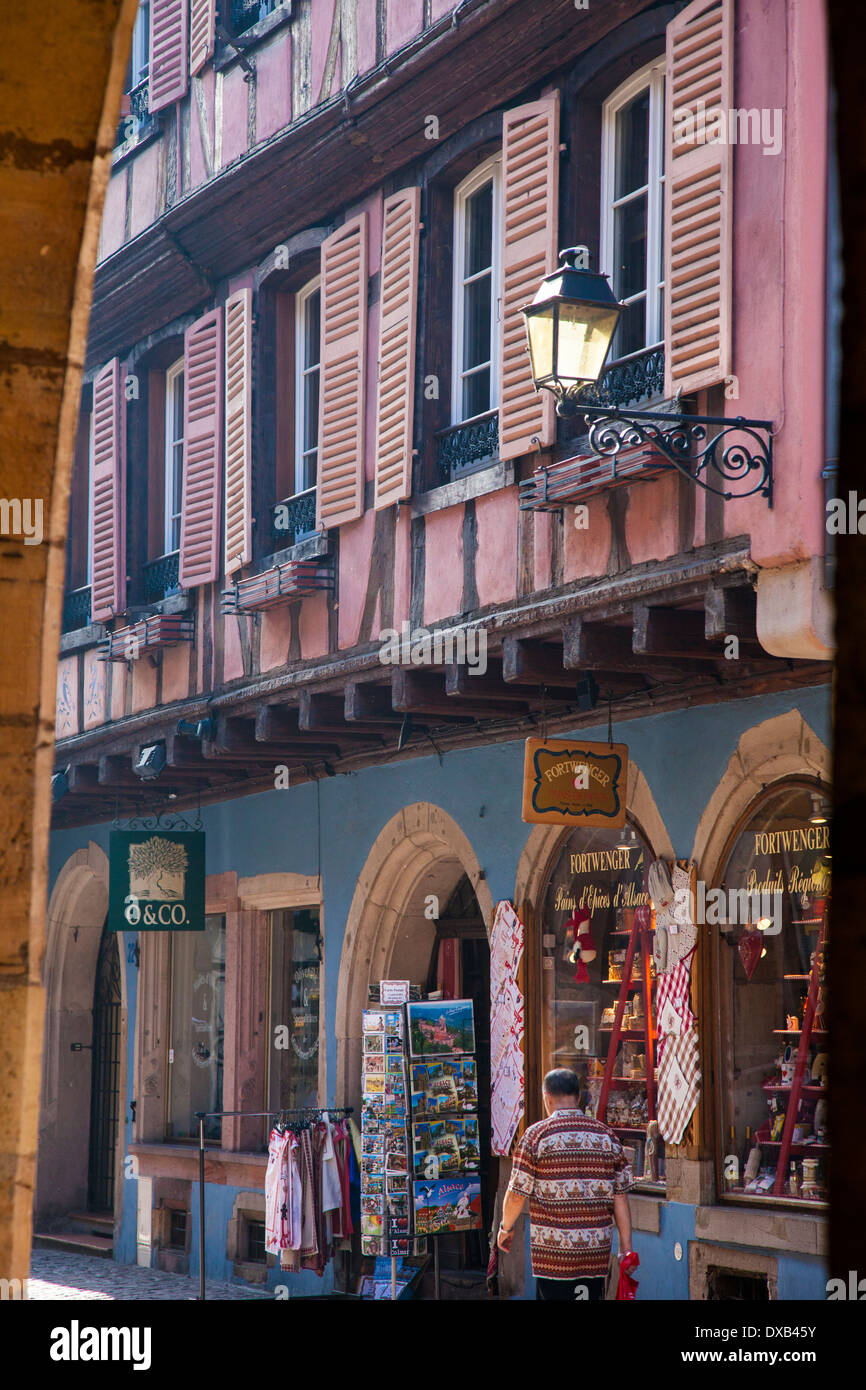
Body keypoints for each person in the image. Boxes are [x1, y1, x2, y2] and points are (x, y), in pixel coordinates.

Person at [497, 1067, 635, 1301]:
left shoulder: (535, 1136)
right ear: (579, 1098)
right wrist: (626, 1249)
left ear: (546, 1098)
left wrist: (505, 1229)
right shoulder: (606, 1136)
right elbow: (620, 1196)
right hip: (595, 1252)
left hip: (554, 1255)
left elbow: (517, 1193)